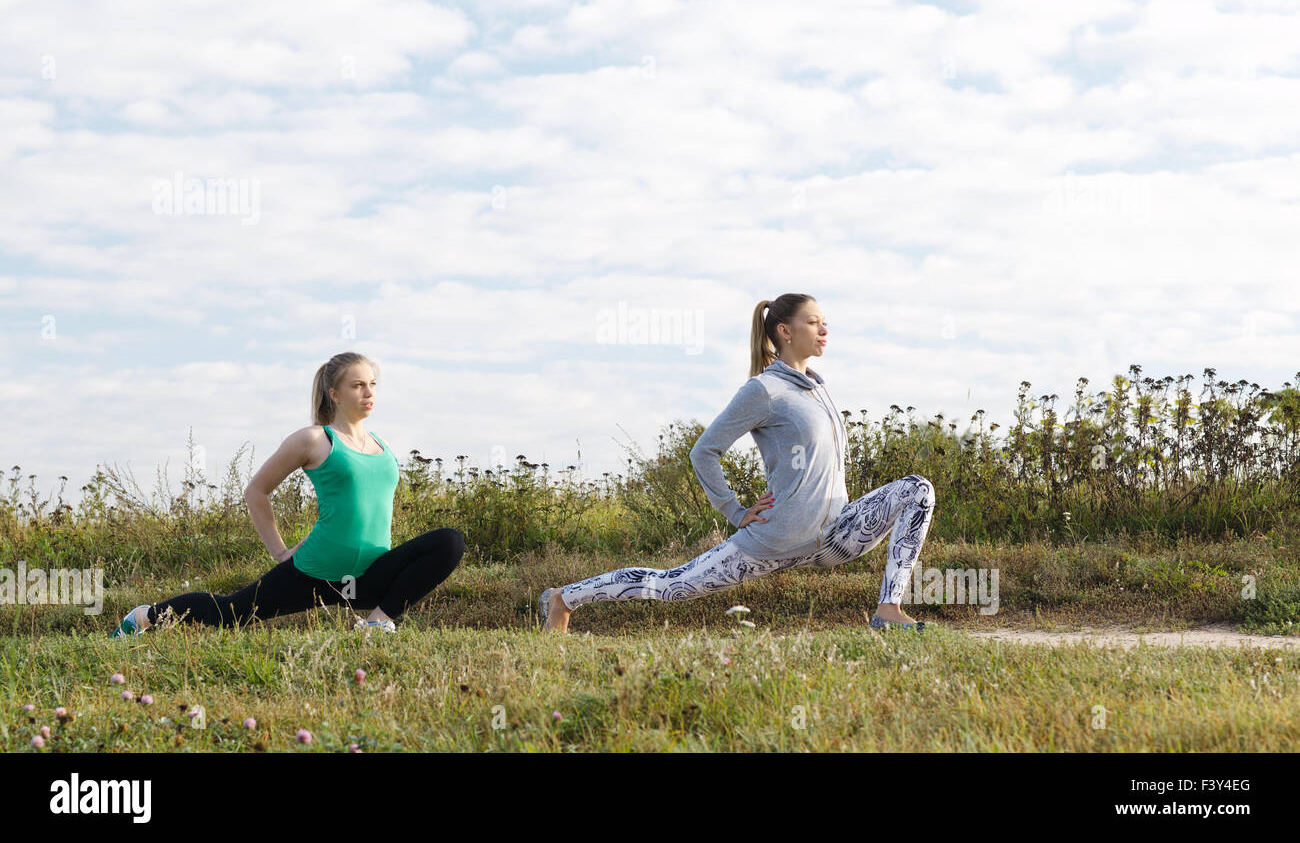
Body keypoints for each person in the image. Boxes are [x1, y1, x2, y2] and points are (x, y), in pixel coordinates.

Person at [539, 293, 935, 634]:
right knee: (670, 586)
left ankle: (888, 609)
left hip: (833, 538)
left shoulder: (819, 390)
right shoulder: (763, 390)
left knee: (917, 489)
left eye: (824, 323)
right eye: (813, 322)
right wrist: (735, 510)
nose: (823, 330)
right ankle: (564, 598)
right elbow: (704, 451)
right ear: (784, 330)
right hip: (772, 542)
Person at [111, 352, 464, 636]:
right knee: (231, 614)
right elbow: (256, 491)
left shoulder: (381, 446)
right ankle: (144, 617)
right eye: (358, 385)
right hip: (314, 572)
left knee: (449, 542)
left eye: (372, 384)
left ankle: (376, 621)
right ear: (335, 394)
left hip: (368, 577)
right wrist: (279, 551)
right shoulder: (314, 439)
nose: (369, 392)